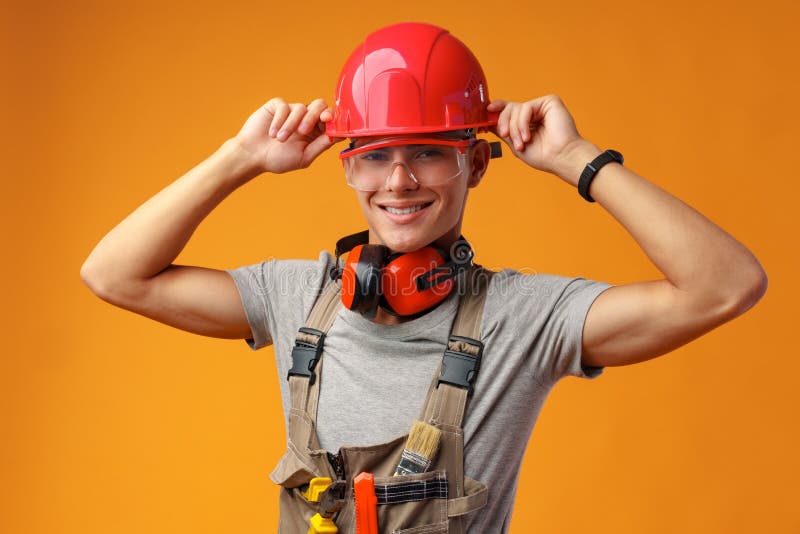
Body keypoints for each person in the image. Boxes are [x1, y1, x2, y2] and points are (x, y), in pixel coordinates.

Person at [80, 22, 767, 533]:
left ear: (477, 162)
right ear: (347, 167)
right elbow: (114, 274)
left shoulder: (526, 317)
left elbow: (726, 286)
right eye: (376, 156)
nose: (400, 181)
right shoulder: (295, 297)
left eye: (430, 154)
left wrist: (578, 159)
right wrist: (239, 158)